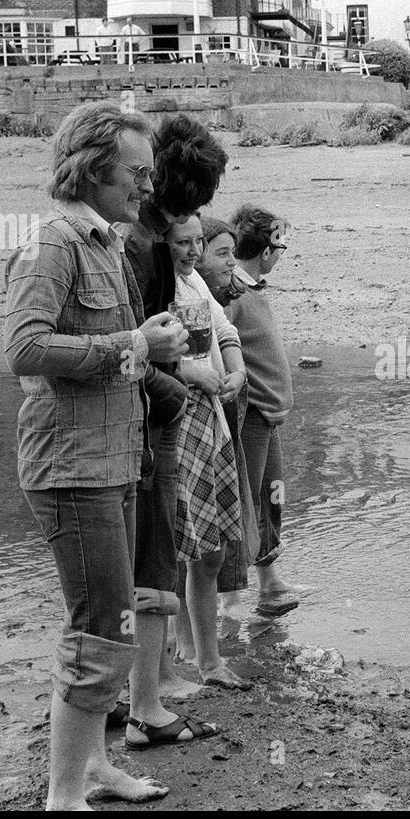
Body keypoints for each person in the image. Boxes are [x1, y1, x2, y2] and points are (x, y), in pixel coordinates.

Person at [4, 101, 189, 809]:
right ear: (91, 169)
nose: (147, 187)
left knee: (108, 623)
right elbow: (24, 350)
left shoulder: (106, 242)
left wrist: (154, 349)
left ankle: (96, 768)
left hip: (112, 459)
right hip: (70, 467)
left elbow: (118, 355)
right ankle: (62, 795)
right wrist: (136, 345)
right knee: (96, 626)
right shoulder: (53, 245)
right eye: (135, 174)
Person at [113, 114, 229, 749]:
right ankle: (143, 710)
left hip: (150, 415)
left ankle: (125, 698)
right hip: (146, 425)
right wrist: (177, 390)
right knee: (152, 561)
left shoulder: (146, 242)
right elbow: (138, 349)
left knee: (140, 564)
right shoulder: (137, 246)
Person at [165, 214, 253, 690]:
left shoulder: (195, 280)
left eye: (199, 241)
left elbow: (223, 331)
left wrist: (235, 371)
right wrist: (189, 373)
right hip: (182, 423)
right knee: (190, 545)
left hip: (213, 418)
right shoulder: (157, 280)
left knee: (214, 549)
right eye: (183, 242)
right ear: (165, 243)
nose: (193, 251)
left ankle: (206, 658)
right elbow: (148, 350)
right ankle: (198, 659)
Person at [218, 204, 303, 616]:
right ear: (267, 252)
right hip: (248, 414)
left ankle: (269, 583)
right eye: (279, 248)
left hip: (267, 416)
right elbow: (218, 342)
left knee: (270, 499)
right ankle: (232, 595)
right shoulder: (232, 292)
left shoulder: (250, 289)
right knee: (245, 500)